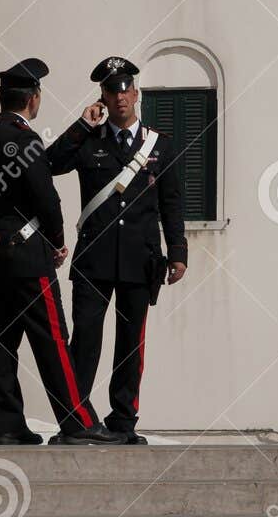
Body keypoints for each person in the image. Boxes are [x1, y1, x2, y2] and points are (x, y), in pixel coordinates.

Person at [0, 58, 120, 447]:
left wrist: (81, 127)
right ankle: (77, 421)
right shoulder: (25, 139)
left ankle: (8, 424)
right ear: (33, 99)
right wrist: (56, 240)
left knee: (3, 341)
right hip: (27, 254)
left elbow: (32, 173)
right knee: (53, 339)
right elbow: (46, 196)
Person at [45, 56, 187, 446]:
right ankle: (76, 419)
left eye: (125, 88)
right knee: (85, 340)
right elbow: (50, 164)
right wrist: (81, 125)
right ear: (102, 97)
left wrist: (178, 251)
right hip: (94, 259)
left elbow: (172, 202)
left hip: (140, 260)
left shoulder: (160, 145)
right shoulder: (90, 139)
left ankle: (123, 420)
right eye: (112, 90)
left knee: (131, 343)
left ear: (136, 93)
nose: (120, 96)